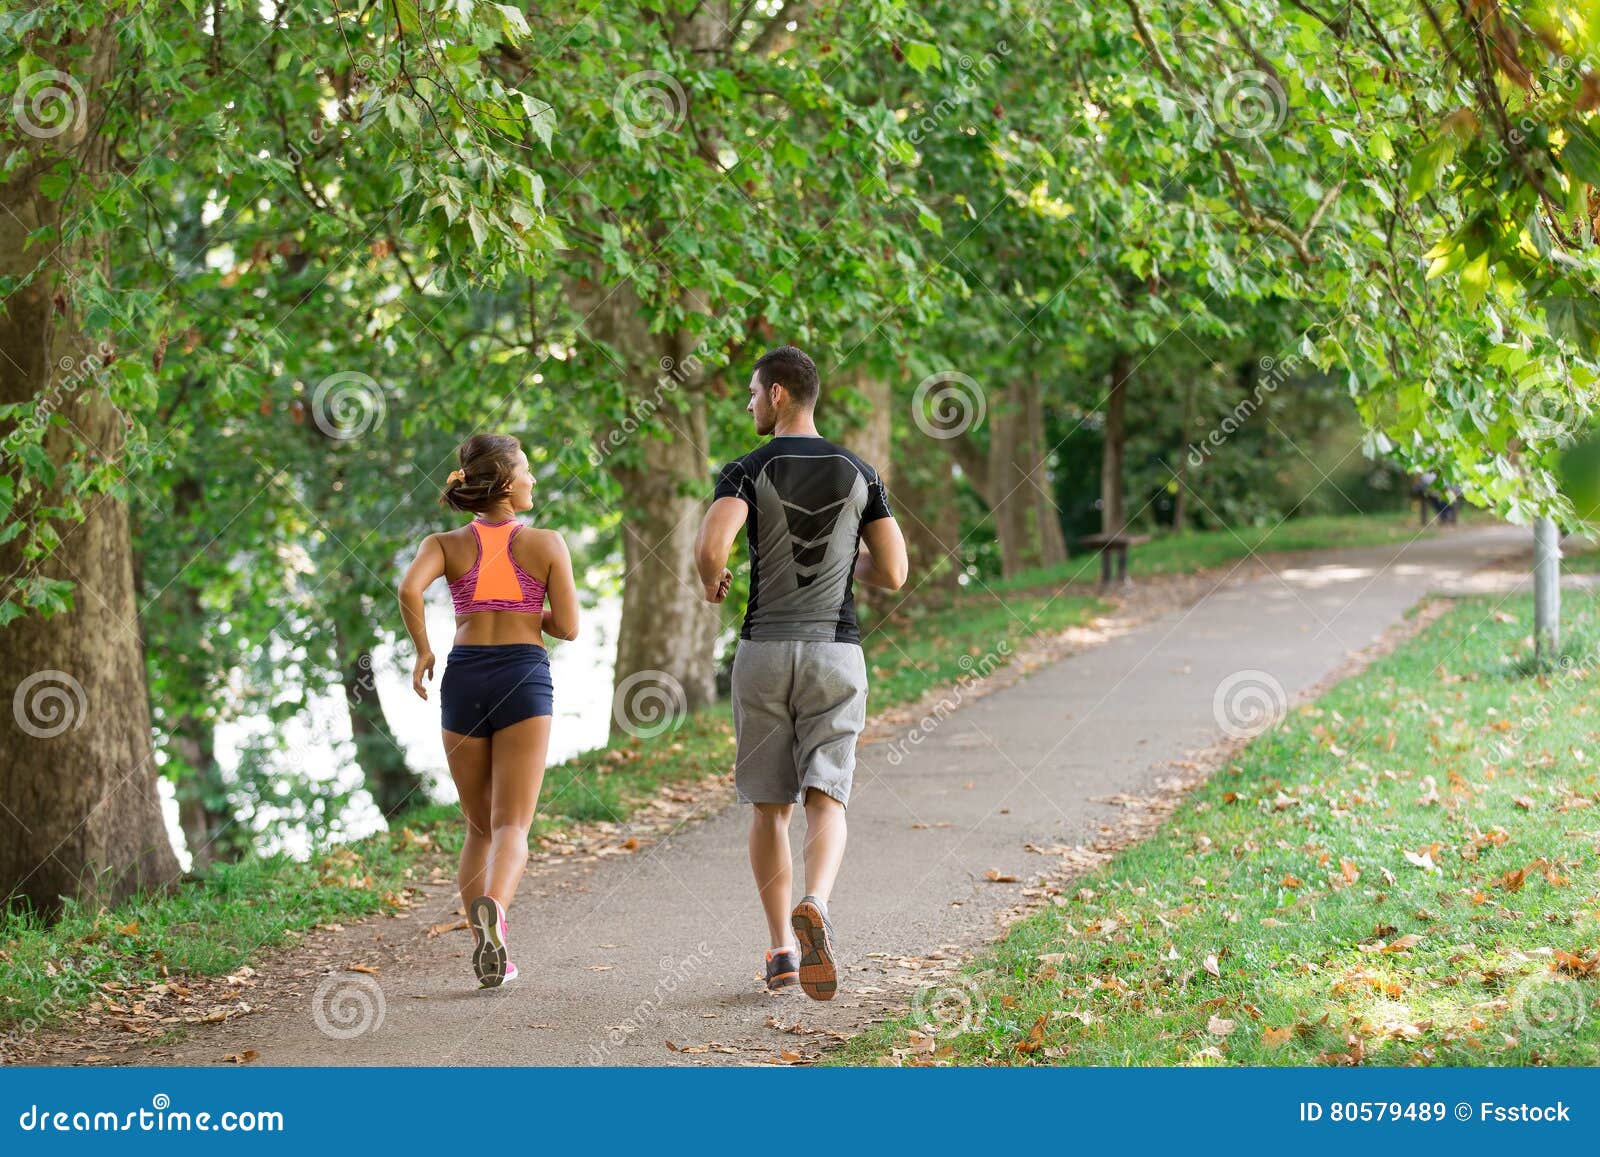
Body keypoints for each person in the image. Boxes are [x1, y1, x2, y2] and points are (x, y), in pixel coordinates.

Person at [693, 346, 908, 1001]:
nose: (749, 403)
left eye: (754, 392)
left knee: (769, 807)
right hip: (834, 652)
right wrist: (845, 569)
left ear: (780, 393)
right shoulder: (858, 470)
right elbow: (895, 572)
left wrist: (713, 582)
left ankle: (782, 951)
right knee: (827, 796)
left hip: (763, 651)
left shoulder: (747, 468)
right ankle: (815, 901)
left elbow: (710, 546)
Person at [398, 433, 579, 989]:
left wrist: (424, 649)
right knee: (511, 825)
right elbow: (568, 628)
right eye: (526, 471)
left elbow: (408, 590)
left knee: (477, 825)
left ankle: (486, 947)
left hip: (466, 676)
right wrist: (530, 613)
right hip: (523, 674)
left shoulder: (445, 544)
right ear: (504, 483)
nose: (532, 481)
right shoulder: (546, 544)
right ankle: (495, 911)